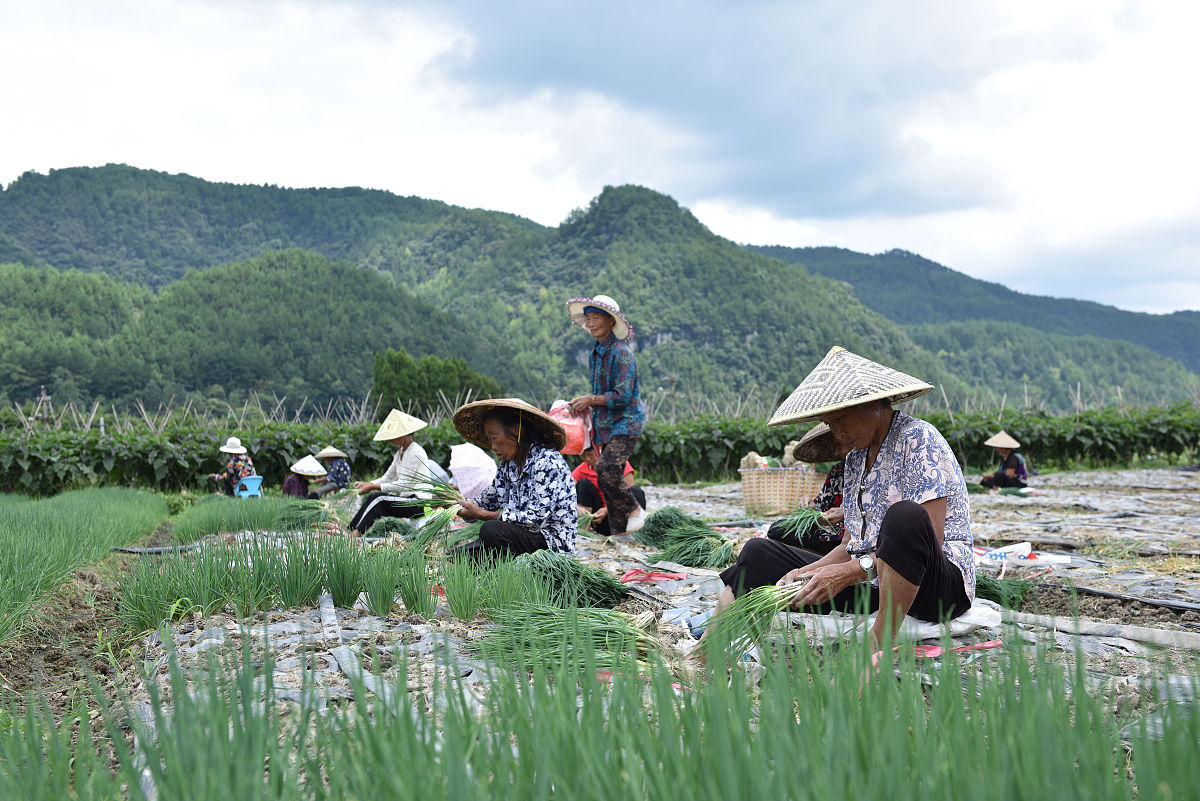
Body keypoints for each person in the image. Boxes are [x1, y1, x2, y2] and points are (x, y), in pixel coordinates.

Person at [710, 346, 975, 653]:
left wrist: (849, 573)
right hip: (873, 582)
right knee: (758, 553)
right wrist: (808, 573)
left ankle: (879, 643)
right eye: (829, 423)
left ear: (872, 403)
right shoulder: (855, 459)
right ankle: (704, 655)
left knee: (905, 516)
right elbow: (849, 545)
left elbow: (928, 543)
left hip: (934, 587)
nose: (837, 433)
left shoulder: (918, 439)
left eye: (839, 420)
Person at [452, 398, 577, 557]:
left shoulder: (548, 462)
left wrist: (484, 515)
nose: (493, 446)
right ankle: (503, 563)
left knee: (490, 530)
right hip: (518, 537)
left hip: (549, 543)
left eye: (494, 438)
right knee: (458, 557)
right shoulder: (508, 465)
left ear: (517, 430)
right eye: (489, 440)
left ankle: (516, 567)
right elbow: (486, 501)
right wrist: (459, 506)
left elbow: (534, 519)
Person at [567, 294, 646, 537]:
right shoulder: (596, 353)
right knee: (606, 480)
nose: (590, 323)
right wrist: (584, 405)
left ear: (611, 321)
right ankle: (619, 534)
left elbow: (623, 395)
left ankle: (635, 509)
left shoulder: (621, 353)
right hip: (604, 426)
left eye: (596, 318)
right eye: (588, 318)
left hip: (626, 422)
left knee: (607, 468)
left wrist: (590, 399)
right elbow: (599, 393)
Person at [764, 423, 849, 554]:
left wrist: (845, 513)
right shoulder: (837, 470)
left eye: (842, 444)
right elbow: (821, 503)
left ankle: (822, 556)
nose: (840, 450)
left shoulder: (870, 469)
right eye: (837, 445)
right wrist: (810, 506)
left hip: (846, 536)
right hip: (826, 529)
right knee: (776, 529)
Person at [346, 410, 433, 536]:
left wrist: (373, 486)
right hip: (408, 499)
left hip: (418, 502)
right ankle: (350, 529)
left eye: (394, 436)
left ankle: (355, 536)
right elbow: (387, 478)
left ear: (404, 435)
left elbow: (404, 484)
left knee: (379, 499)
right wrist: (368, 483)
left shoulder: (415, 452)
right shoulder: (400, 453)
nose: (391, 439)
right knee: (372, 497)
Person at [573, 443, 647, 536]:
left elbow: (629, 496)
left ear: (599, 449)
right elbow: (568, 491)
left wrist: (607, 510)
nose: (587, 459)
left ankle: (635, 533)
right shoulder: (582, 469)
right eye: (582, 456)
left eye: (590, 455)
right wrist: (578, 507)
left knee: (636, 491)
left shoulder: (620, 464)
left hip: (622, 520)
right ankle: (584, 529)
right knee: (583, 483)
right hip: (600, 521)